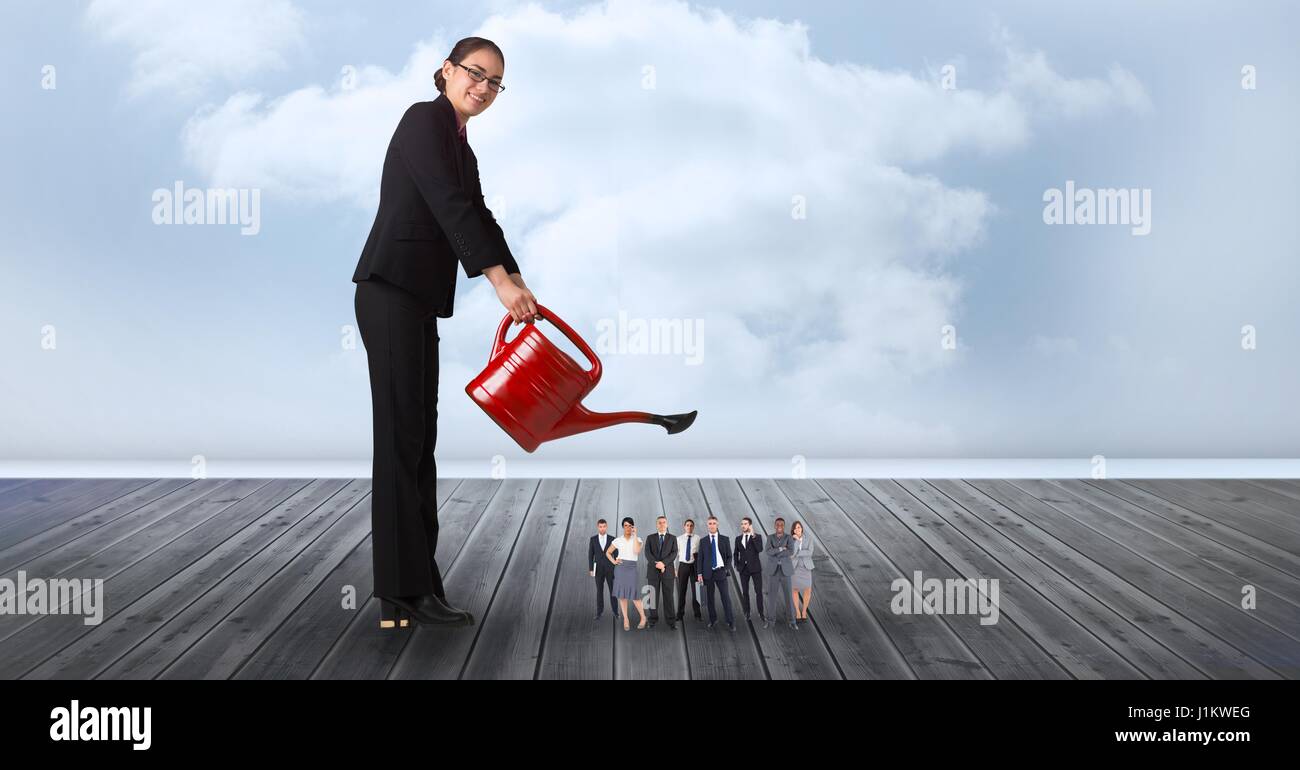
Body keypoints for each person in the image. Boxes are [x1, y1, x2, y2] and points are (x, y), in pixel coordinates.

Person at [352, 36, 538, 629]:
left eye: (494, 83)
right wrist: (497, 285)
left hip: (418, 301)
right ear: (446, 71)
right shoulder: (421, 122)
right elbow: (449, 206)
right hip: (388, 292)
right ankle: (401, 592)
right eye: (475, 74)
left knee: (418, 441)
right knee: (400, 440)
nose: (482, 88)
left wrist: (518, 280)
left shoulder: (463, 148)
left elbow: (478, 213)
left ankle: (415, 587)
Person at [607, 517, 649, 630]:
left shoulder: (638, 539)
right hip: (620, 568)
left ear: (633, 527)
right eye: (626, 525)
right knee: (622, 595)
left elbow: (636, 551)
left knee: (635, 595)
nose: (628, 527)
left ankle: (643, 617)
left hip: (631, 568)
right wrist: (614, 561)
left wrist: (635, 535)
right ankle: (626, 618)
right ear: (623, 527)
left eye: (630, 525)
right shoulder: (618, 540)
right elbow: (608, 552)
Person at [695, 516, 734, 631]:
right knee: (710, 599)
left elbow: (729, 556)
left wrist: (726, 569)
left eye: (714, 523)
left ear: (717, 525)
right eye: (710, 523)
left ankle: (730, 621)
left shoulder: (724, 539)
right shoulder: (703, 541)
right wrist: (699, 574)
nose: (712, 525)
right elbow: (700, 559)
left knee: (725, 597)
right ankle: (713, 620)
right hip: (707, 574)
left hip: (721, 572)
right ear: (707, 525)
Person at [643, 515, 677, 629]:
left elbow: (674, 553)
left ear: (667, 524)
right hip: (653, 571)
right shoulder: (650, 538)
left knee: (669, 597)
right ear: (656, 525)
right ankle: (652, 619)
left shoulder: (672, 538)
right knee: (652, 597)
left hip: (668, 572)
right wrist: (657, 564)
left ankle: (671, 621)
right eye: (659, 523)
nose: (662, 524)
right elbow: (647, 553)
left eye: (663, 522)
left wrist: (663, 564)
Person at [764, 517, 797, 630]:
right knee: (772, 597)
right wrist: (781, 549)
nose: (779, 526)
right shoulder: (770, 537)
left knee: (788, 597)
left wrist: (776, 552)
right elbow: (768, 551)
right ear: (775, 525)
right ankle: (770, 621)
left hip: (786, 571)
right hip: (773, 571)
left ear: (784, 526)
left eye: (781, 524)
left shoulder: (788, 538)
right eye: (777, 524)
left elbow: (791, 551)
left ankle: (792, 621)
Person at [733, 516, 765, 624]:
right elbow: (735, 553)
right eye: (742, 524)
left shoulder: (757, 537)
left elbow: (759, 549)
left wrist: (753, 535)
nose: (743, 526)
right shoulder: (738, 539)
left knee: (758, 591)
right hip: (743, 569)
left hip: (755, 568)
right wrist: (737, 565)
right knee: (745, 592)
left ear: (750, 525)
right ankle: (747, 612)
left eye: (745, 524)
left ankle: (761, 612)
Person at [588, 519, 619, 621]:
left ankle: (615, 612)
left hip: (610, 569)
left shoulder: (612, 539)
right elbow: (590, 555)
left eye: (604, 526)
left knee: (612, 591)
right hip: (598, 570)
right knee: (599, 592)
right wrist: (591, 568)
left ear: (606, 526)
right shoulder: (593, 539)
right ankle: (599, 613)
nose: (602, 528)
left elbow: (617, 554)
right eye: (600, 527)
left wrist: (616, 566)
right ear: (598, 527)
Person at [675, 518, 702, 622]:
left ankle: (697, 614)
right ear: (684, 526)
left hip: (694, 566)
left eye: (691, 525)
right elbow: (675, 554)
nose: (689, 527)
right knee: (682, 591)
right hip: (683, 566)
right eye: (687, 525)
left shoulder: (698, 538)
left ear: (693, 527)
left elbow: (701, 554)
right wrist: (674, 568)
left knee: (696, 591)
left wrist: (700, 569)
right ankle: (680, 614)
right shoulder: (679, 539)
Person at [790, 521, 815, 622]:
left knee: (808, 589)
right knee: (794, 590)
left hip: (806, 568)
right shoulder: (791, 540)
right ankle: (798, 612)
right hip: (795, 568)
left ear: (802, 529)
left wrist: (798, 552)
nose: (797, 529)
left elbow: (810, 552)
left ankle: (804, 611)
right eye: (795, 528)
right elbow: (791, 555)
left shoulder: (809, 539)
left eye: (799, 527)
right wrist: (797, 542)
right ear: (793, 530)